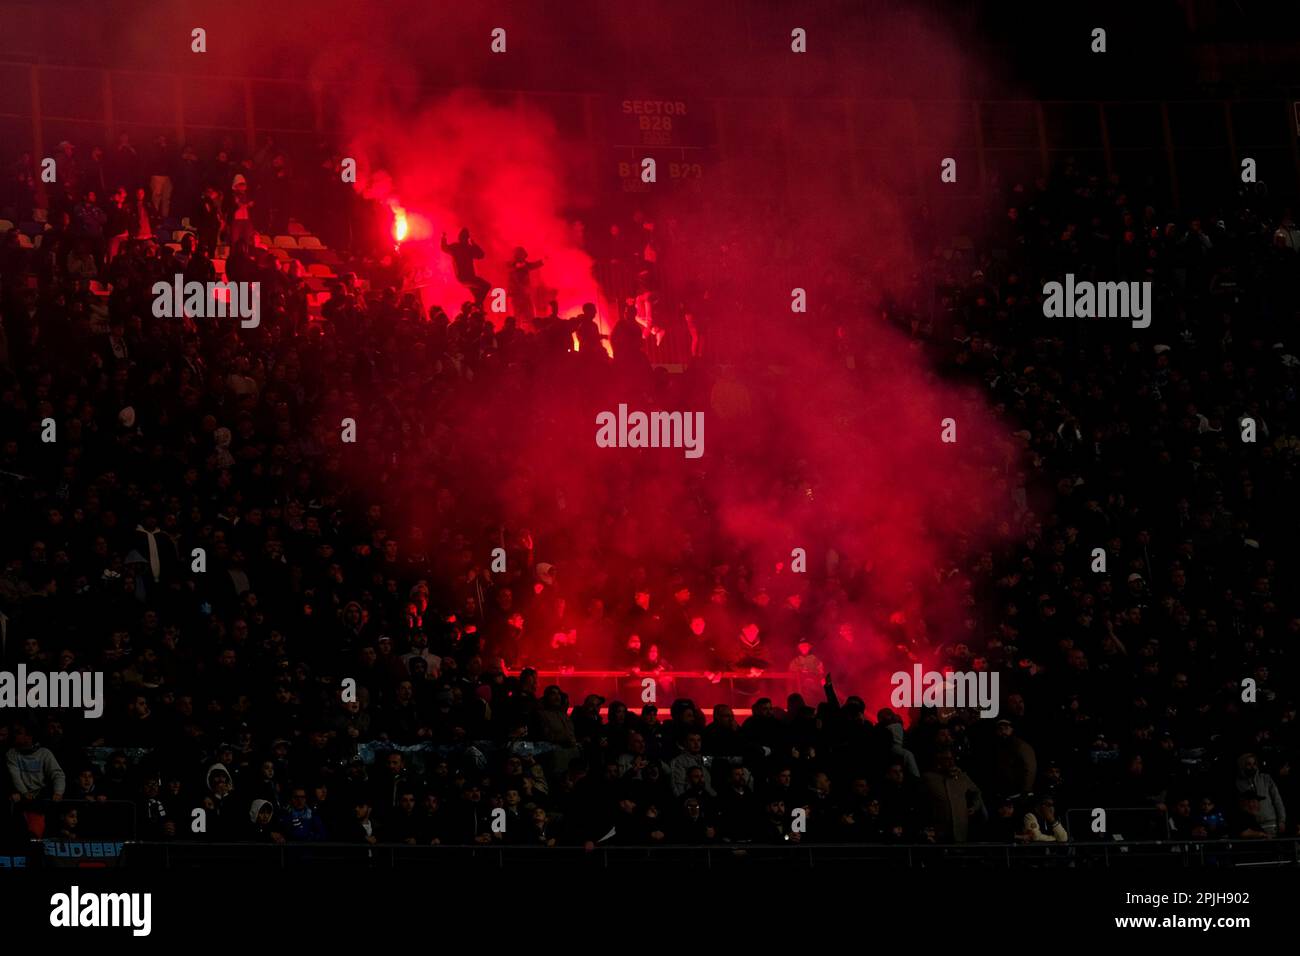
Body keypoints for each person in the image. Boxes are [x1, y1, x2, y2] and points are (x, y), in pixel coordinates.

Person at [441, 228, 490, 306]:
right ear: (467, 238)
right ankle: (477, 305)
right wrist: (474, 244)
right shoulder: (468, 248)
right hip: (469, 278)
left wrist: (443, 237)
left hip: (463, 278)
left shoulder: (457, 247)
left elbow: (444, 248)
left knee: (478, 295)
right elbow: (481, 255)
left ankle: (477, 308)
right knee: (486, 286)